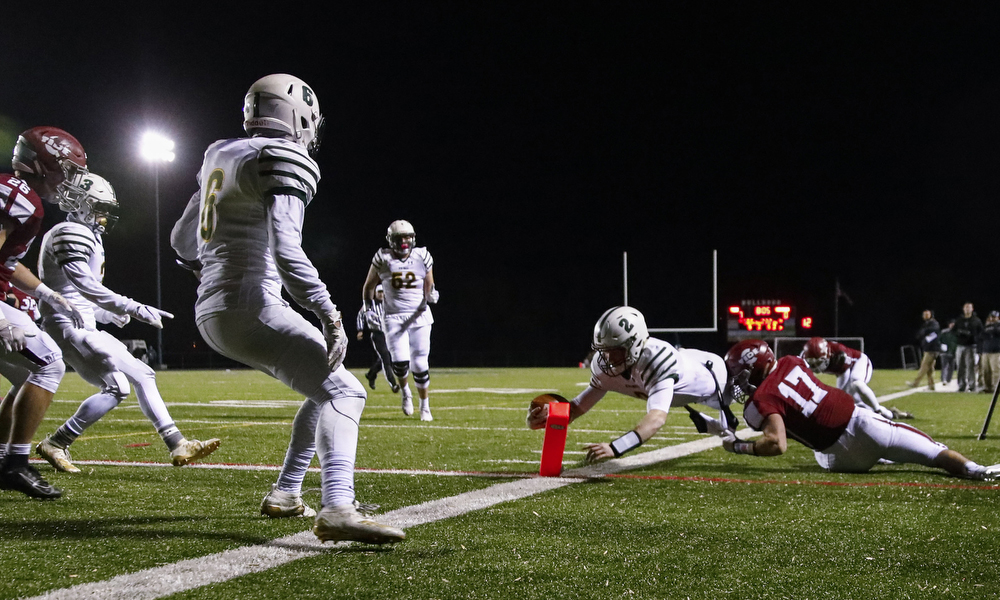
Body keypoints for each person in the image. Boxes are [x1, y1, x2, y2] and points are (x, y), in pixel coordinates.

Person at [170, 73, 403, 544]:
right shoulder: (282, 155)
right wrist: (329, 313)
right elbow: (286, 252)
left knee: (324, 390)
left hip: (213, 308)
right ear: (299, 116)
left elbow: (180, 241)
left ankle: (286, 493)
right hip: (251, 303)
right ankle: (338, 506)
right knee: (346, 393)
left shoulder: (220, 151)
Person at [35, 173, 219, 473]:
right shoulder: (67, 232)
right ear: (79, 204)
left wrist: (111, 314)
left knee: (143, 374)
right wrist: (132, 307)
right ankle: (56, 442)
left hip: (82, 323)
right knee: (117, 386)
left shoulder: (87, 235)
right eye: (99, 207)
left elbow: (85, 299)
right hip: (65, 326)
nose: (104, 216)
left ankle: (177, 443)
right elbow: (85, 287)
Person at [721, 338, 1000, 480]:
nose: (739, 382)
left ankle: (884, 457)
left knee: (815, 446)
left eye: (740, 375)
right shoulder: (794, 360)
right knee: (934, 453)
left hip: (838, 459)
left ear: (753, 367)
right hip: (865, 425)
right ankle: (976, 470)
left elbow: (776, 441)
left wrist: (738, 446)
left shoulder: (760, 402)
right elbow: (779, 436)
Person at [0, 126, 89, 499]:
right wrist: (3, 318)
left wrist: (46, 293)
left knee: (26, 374)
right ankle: (15, 464)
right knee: (49, 363)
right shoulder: (16, 195)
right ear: (39, 164)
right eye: (63, 170)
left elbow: (7, 263)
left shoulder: (24, 197)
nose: (67, 180)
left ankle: (5, 458)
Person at [526, 306, 737, 463]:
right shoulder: (604, 364)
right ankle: (713, 425)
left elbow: (656, 419)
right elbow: (578, 406)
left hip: (715, 376)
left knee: (749, 416)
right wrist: (548, 415)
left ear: (634, 344)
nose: (607, 358)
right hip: (683, 381)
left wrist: (616, 447)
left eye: (614, 350)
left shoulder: (655, 359)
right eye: (603, 349)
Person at [362, 220, 438, 421]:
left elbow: (429, 283)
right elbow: (369, 286)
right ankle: (406, 393)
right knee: (400, 363)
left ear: (413, 238)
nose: (404, 242)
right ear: (391, 240)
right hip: (394, 317)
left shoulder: (422, 255)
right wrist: (368, 308)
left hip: (419, 315)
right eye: (399, 238)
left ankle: (425, 406)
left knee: (420, 364)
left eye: (407, 237)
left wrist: (431, 294)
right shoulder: (383, 257)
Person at [801, 336, 900, 419]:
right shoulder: (804, 356)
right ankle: (889, 414)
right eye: (813, 364)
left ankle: (877, 410)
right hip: (841, 371)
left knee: (856, 384)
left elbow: (844, 376)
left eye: (819, 362)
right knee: (854, 402)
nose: (817, 367)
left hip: (859, 362)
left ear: (828, 355)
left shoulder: (840, 355)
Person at [354, 284, 398, 393]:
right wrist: (360, 330)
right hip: (377, 334)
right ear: (375, 293)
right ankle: (393, 384)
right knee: (386, 359)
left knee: (388, 357)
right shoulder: (370, 304)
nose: (381, 294)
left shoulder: (389, 304)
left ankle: (371, 374)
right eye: (379, 292)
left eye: (383, 292)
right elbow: (360, 315)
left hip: (389, 333)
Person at [909, 309, 941, 390]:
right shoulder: (927, 324)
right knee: (929, 369)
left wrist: (924, 332)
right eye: (924, 314)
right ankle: (931, 386)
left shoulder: (934, 323)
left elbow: (931, 331)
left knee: (924, 366)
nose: (925, 316)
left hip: (932, 349)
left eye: (927, 314)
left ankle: (915, 383)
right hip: (929, 349)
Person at [954, 302, 983, 392]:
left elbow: (981, 333)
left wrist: (975, 340)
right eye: (966, 307)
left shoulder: (976, 320)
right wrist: (959, 333)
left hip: (971, 346)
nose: (967, 309)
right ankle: (961, 385)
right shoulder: (959, 320)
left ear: (972, 309)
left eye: (969, 307)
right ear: (963, 309)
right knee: (960, 366)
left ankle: (971, 385)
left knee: (970, 366)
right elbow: (953, 331)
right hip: (960, 345)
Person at [980, 311, 1000, 393]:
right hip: (986, 350)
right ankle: (987, 388)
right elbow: (981, 336)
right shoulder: (986, 326)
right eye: (991, 317)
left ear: (998, 318)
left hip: (996, 351)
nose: (992, 318)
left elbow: (997, 332)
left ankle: (996, 388)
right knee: (985, 370)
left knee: (995, 370)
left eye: (994, 317)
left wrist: (992, 328)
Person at [939, 319, 958, 386]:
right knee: (944, 366)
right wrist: (941, 348)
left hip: (953, 352)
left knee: (951, 367)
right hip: (945, 352)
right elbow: (939, 340)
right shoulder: (944, 332)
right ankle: (944, 379)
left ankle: (948, 380)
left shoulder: (957, 333)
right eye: (951, 324)